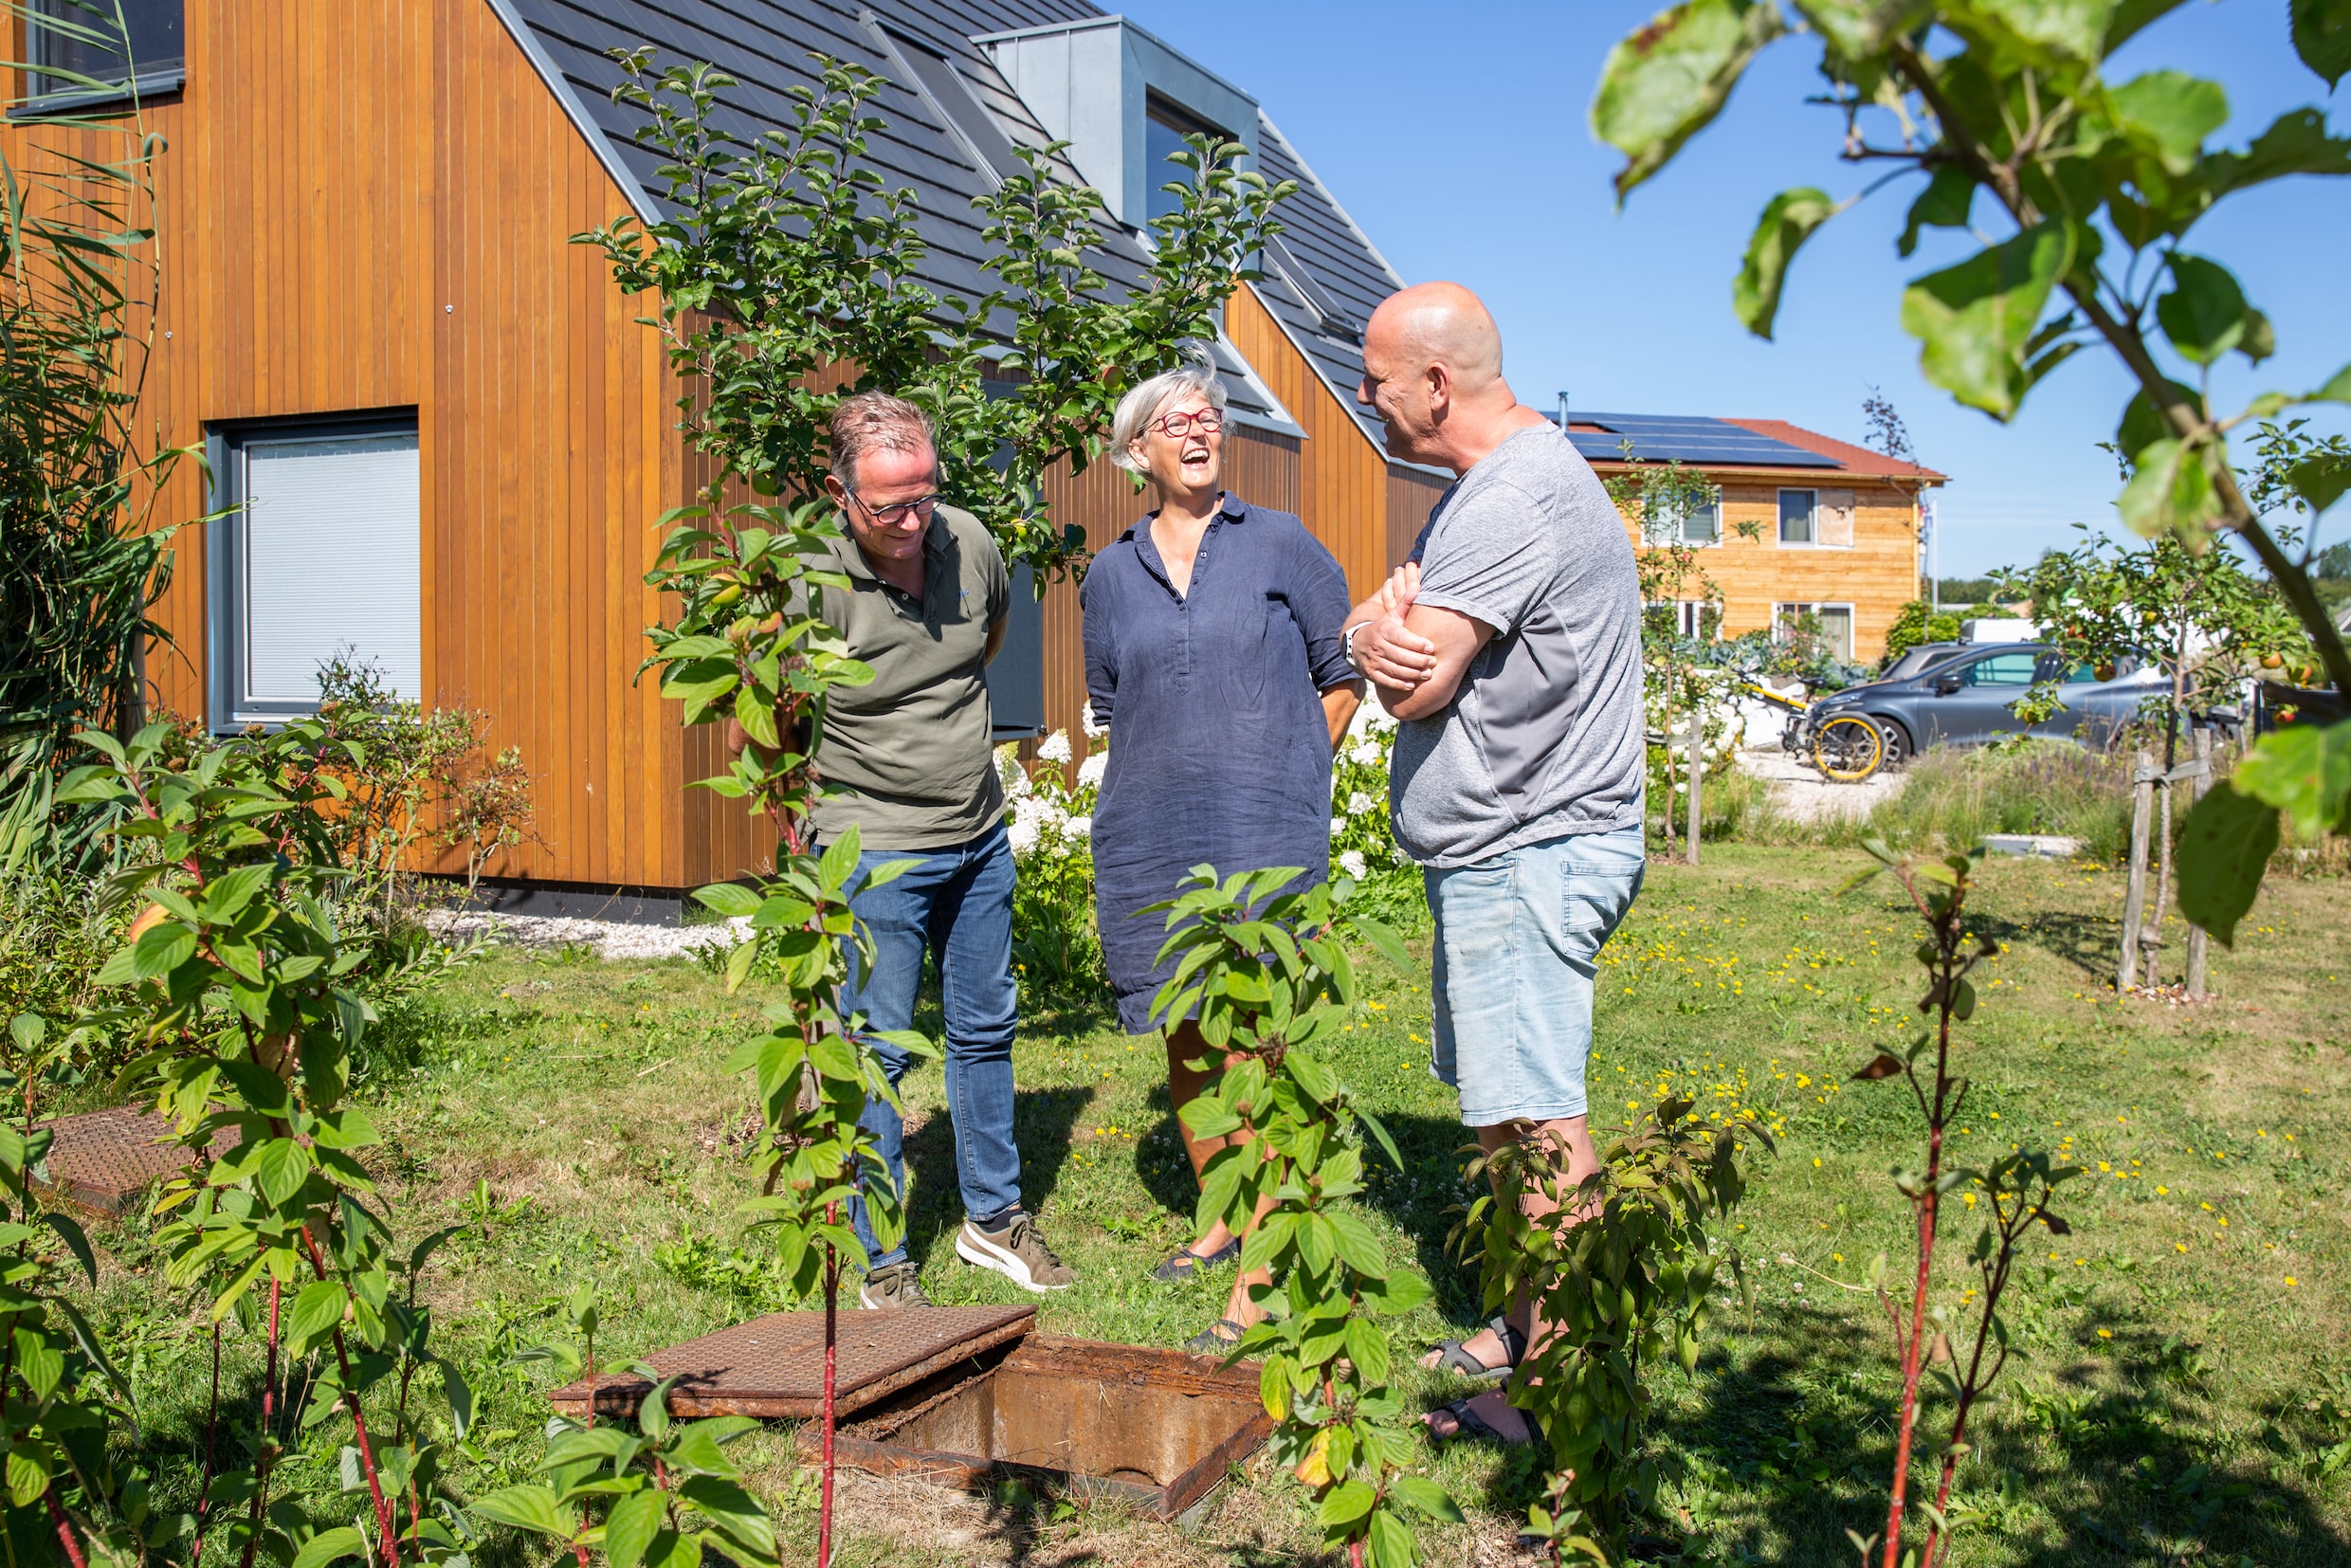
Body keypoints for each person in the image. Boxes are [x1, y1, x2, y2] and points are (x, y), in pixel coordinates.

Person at [1338, 283, 1647, 1444]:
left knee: (1536, 1120)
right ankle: (1521, 1325)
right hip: (1503, 846)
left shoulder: (1508, 497)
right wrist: (1379, 629)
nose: (1363, 396)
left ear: (1433, 382)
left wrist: (1381, 641)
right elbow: (1380, 624)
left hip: (1529, 843)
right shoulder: (1485, 489)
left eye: (1373, 378)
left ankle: (1561, 1389)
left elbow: (1411, 672)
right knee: (1500, 1112)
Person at [763, 391, 1076, 1308]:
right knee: (878, 1053)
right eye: (887, 505)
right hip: (876, 849)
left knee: (984, 1030)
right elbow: (777, 715)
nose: (910, 521)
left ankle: (992, 1215)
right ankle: (884, 1260)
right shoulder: (804, 577)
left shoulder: (969, 541)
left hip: (976, 835)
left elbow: (982, 644)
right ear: (837, 493)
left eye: (923, 496)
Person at [1081, 356, 1363, 1354]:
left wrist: (1284, 771)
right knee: (1185, 1036)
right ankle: (1219, 1213)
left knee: (1256, 1044)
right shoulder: (1109, 574)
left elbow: (1341, 674)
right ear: (1136, 452)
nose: (1199, 432)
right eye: (1176, 422)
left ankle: (1260, 1276)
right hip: (1152, 833)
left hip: (1261, 836)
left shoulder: (1282, 544)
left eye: (1209, 417)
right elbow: (1115, 704)